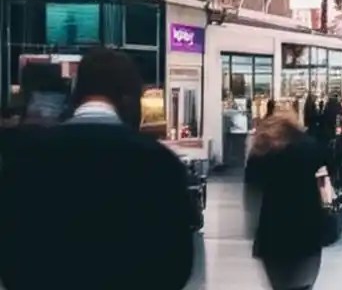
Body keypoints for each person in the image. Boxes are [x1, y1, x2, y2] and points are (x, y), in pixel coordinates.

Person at [0, 50, 195, 290]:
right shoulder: (159, 162)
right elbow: (177, 262)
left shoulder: (28, 158)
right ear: (128, 98)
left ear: (75, 93)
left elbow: (11, 253)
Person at [245, 106, 333, 290]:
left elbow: (252, 191)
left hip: (272, 233)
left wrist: (252, 227)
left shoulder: (261, 151)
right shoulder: (309, 146)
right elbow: (324, 183)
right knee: (303, 284)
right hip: (308, 228)